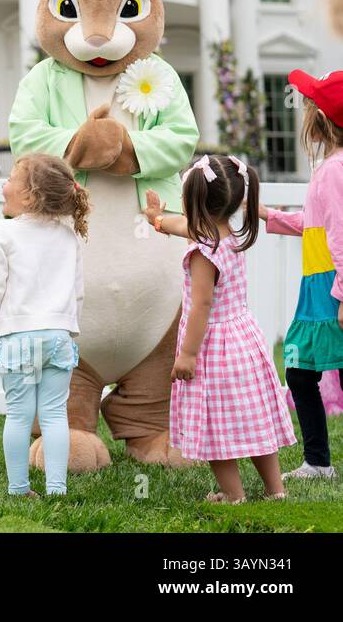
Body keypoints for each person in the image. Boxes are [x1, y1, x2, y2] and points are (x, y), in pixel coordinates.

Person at [145, 154, 295, 503]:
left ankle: (233, 495)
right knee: (253, 419)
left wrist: (187, 355)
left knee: (216, 426)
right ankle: (276, 491)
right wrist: (156, 219)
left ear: (195, 202)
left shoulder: (202, 251)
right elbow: (182, 226)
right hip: (244, 339)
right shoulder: (228, 234)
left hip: (212, 346)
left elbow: (201, 305)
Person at [0, 153, 89, 498]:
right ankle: (57, 489)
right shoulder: (68, 237)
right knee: (56, 414)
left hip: (18, 339)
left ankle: (19, 489)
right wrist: (69, 331)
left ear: (29, 196)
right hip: (58, 337)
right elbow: (78, 293)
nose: (3, 185)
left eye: (10, 179)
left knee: (19, 415)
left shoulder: (2, 232)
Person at [259, 69, 343, 480]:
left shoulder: (333, 171)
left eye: (309, 103)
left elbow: (341, 234)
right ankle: (318, 462)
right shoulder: (331, 167)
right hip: (322, 288)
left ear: (322, 119)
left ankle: (318, 462)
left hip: (331, 290)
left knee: (301, 370)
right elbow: (316, 223)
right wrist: (268, 215)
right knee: (300, 369)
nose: (303, 109)